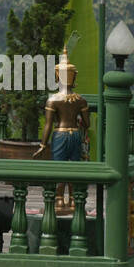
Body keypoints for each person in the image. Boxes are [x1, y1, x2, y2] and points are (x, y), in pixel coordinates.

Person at [33, 47, 89, 211]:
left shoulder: (53, 100)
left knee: (59, 167)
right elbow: (87, 124)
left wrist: (43, 145)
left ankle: (59, 200)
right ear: (73, 76)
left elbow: (48, 124)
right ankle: (73, 200)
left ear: (58, 76)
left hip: (60, 135)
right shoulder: (80, 100)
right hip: (75, 135)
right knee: (74, 167)